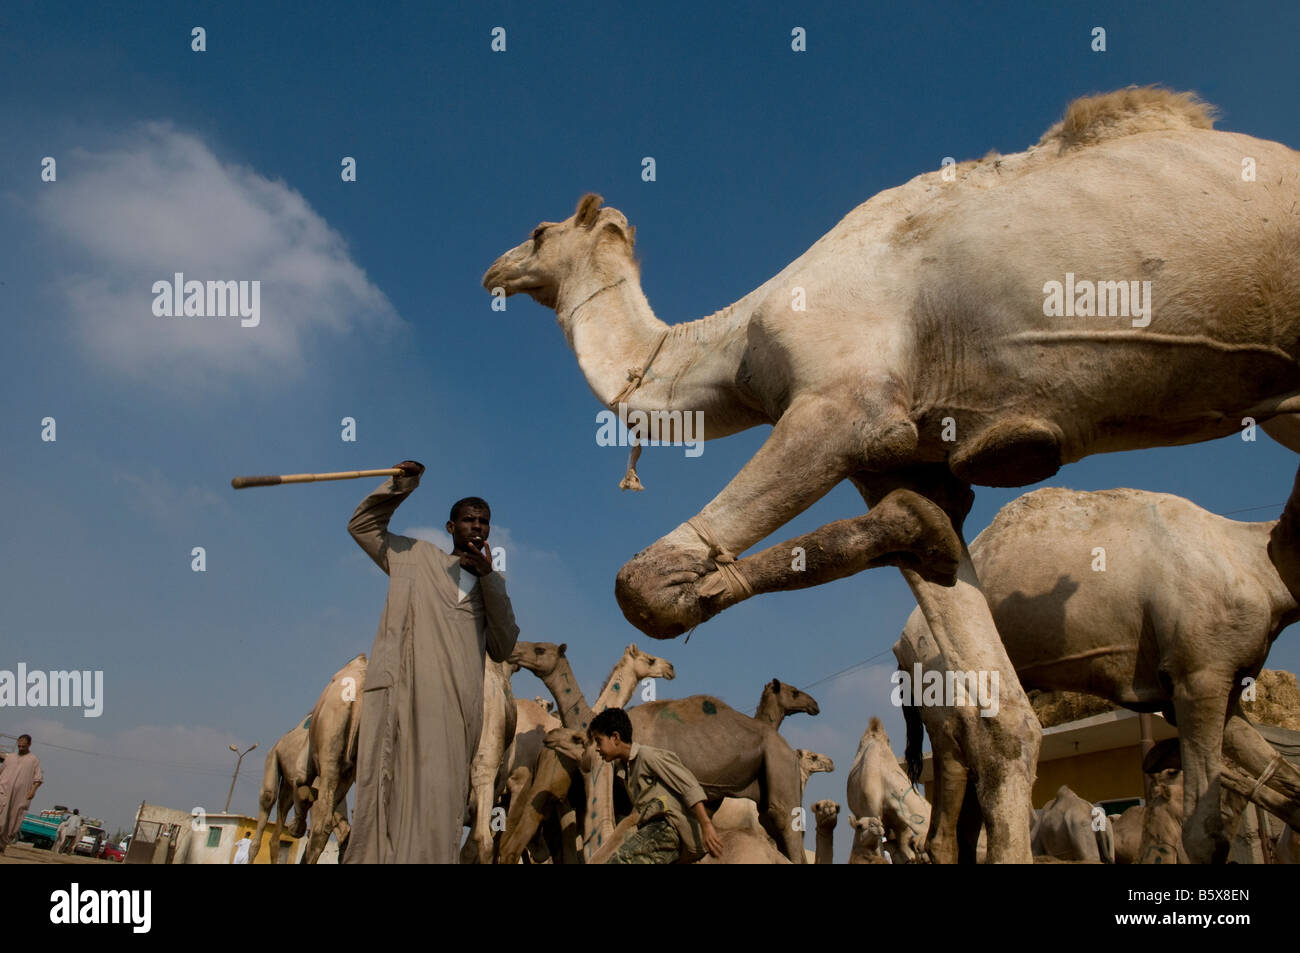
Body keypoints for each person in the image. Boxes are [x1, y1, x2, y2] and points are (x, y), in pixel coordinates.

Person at [343, 460, 520, 864]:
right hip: (405, 701)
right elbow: (363, 528)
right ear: (451, 527)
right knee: (391, 792)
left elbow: (504, 646)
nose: (477, 527)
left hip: (456, 713)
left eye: (484, 522)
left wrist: (489, 578)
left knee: (441, 803)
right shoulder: (415, 558)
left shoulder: (494, 584)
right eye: (469, 520)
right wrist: (401, 484)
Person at [589, 708, 724, 864]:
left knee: (619, 861)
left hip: (669, 827)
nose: (597, 748)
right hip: (652, 831)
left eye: (599, 741)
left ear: (615, 737)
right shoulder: (624, 770)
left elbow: (688, 785)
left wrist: (706, 825)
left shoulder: (648, 756)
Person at [0, 735, 42, 854]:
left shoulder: (33, 760)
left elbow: (38, 779)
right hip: (3, 791)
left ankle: (2, 844)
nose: (21, 747)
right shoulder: (10, 757)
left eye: (24, 745)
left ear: (29, 744)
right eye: (19, 745)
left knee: (13, 820)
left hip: (20, 796)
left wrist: (32, 791)